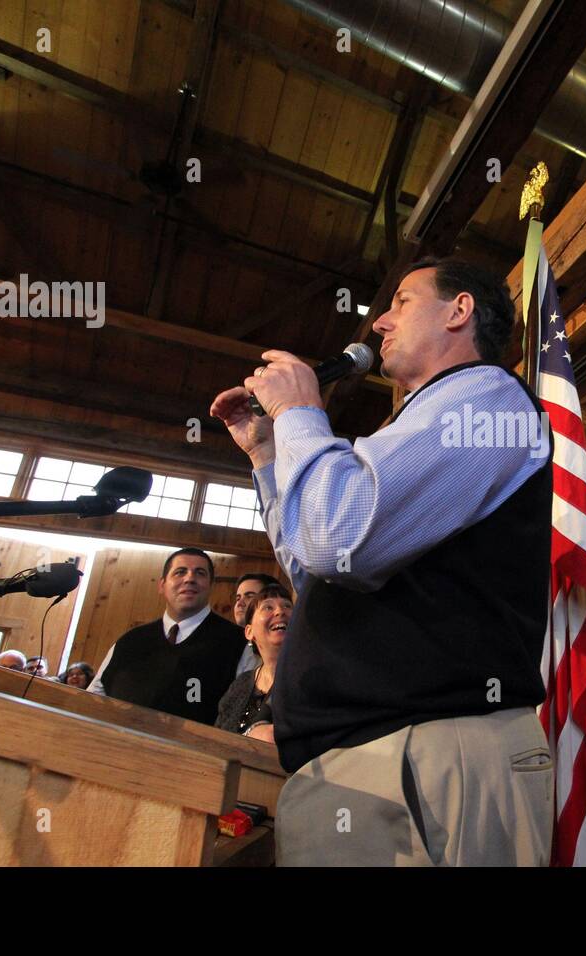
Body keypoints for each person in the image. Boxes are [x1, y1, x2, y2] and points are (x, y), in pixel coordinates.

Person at [211, 255, 554, 866]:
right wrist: (268, 456)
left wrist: (298, 413)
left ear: (460, 310)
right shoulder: (411, 425)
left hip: (424, 755)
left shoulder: (490, 401)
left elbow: (340, 539)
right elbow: (313, 567)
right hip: (368, 759)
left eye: (401, 302)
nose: (379, 324)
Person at [87, 548, 246, 724]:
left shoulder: (238, 644)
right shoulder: (130, 641)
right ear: (162, 585)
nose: (189, 578)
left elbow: (243, 714)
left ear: (210, 586)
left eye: (200, 573)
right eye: (180, 572)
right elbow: (93, 699)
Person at [215, 584, 293, 739]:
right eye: (268, 607)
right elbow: (218, 736)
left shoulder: (311, 678)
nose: (280, 611)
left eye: (287, 606)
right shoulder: (240, 684)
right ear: (249, 632)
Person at [232, 572, 282, 675]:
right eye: (238, 598)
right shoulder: (229, 643)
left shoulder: (282, 648)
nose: (240, 603)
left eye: (249, 596)